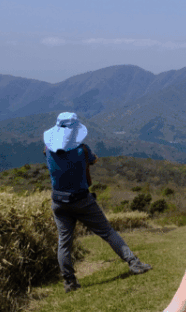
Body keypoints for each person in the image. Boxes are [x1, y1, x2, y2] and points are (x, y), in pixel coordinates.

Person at [43, 112, 151, 292]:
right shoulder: (82, 150)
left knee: (64, 241)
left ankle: (69, 282)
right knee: (107, 232)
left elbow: (51, 151)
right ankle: (134, 263)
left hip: (59, 201)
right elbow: (94, 159)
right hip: (82, 200)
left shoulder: (47, 149)